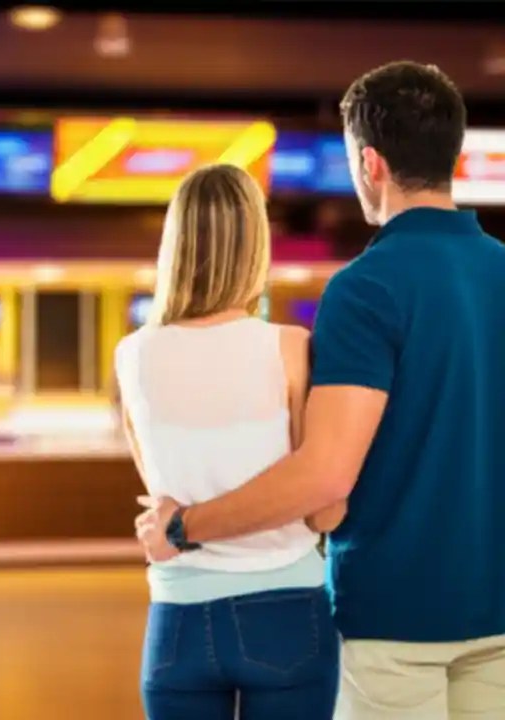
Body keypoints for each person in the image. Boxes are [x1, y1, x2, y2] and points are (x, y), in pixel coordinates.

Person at [135, 61, 505, 719]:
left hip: (395, 622)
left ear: (371, 164)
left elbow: (325, 479)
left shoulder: (366, 288)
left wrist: (184, 524)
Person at [117, 163, 346, 719]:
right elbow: (324, 512)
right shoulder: (290, 347)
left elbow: (162, 498)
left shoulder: (133, 355)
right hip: (287, 614)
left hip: (177, 621)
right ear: (254, 246)